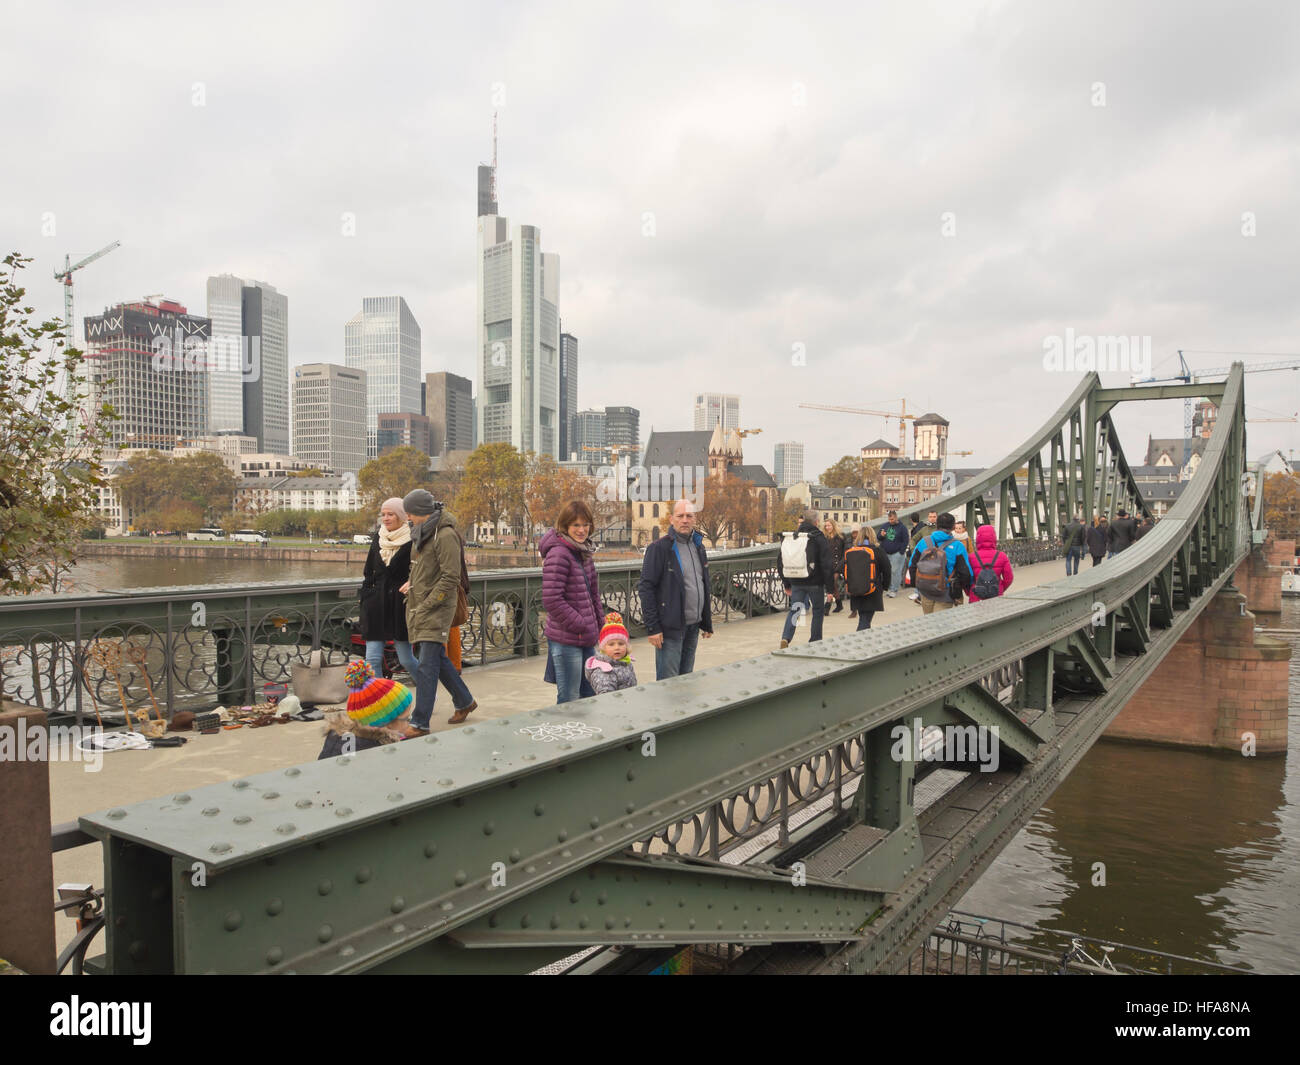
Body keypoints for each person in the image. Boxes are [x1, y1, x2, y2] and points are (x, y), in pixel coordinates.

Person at [400, 489, 477, 735]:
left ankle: (420, 722)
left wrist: (427, 604)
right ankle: (465, 701)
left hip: (436, 608)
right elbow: (426, 568)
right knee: (436, 660)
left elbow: (450, 577)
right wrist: (413, 585)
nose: (408, 517)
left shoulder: (444, 535)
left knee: (426, 666)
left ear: (421, 512)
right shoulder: (425, 532)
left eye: (410, 512)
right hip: (422, 605)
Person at [638, 498, 714, 679]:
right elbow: (646, 588)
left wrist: (706, 622)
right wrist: (653, 628)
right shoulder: (659, 548)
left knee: (686, 680)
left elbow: (703, 583)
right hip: (669, 628)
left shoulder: (698, 546)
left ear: (695, 519)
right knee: (668, 684)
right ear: (671, 519)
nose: (685, 520)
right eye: (680, 516)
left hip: (693, 626)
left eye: (689, 516)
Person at [540, 499, 604, 703]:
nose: (581, 530)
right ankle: (566, 735)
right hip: (567, 639)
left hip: (585, 637)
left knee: (589, 695)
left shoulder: (583, 552)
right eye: (576, 525)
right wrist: (580, 623)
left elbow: (593, 594)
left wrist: (601, 626)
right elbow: (551, 599)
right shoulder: (559, 554)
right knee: (569, 699)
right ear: (565, 525)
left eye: (585, 525)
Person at [358, 498, 418, 680]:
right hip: (376, 605)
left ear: (401, 516)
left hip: (400, 606)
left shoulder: (413, 539)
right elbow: (369, 571)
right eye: (383, 514)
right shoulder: (379, 537)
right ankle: (379, 701)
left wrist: (411, 585)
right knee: (372, 659)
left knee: (406, 659)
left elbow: (420, 570)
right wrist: (366, 596)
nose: (385, 518)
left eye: (390, 514)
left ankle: (427, 690)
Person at [317, 660, 413, 758]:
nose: (409, 723)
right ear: (386, 724)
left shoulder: (342, 736)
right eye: (407, 718)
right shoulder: (376, 753)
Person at [778, 508, 836, 647]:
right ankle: (815, 641)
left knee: (795, 609)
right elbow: (827, 564)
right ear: (816, 521)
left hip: (797, 580)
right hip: (815, 582)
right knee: (817, 611)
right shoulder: (818, 537)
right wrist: (830, 589)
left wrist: (787, 583)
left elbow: (781, 561)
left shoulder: (793, 536)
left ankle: (786, 637)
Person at [907, 512, 973, 613]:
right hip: (945, 592)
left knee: (928, 621)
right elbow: (966, 573)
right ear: (952, 527)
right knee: (941, 625)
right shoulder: (957, 546)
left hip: (926, 589)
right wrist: (964, 588)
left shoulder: (924, 542)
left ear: (937, 525)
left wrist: (916, 584)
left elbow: (912, 564)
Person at [584, 612, 637, 695]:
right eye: (611, 644)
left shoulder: (625, 662)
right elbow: (607, 698)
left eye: (621, 643)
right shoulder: (604, 671)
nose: (617, 647)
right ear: (603, 647)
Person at [844, 533, 890, 630]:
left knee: (863, 617)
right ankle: (859, 642)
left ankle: (863, 641)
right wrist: (885, 586)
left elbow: (840, 567)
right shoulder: (877, 551)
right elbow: (887, 569)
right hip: (872, 589)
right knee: (865, 620)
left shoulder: (852, 551)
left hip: (855, 589)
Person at [967, 524, 1014, 603]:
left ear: (978, 538)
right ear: (994, 537)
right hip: (996, 597)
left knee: (976, 615)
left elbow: (966, 578)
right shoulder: (1002, 556)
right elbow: (1009, 578)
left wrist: (970, 591)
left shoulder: (971, 557)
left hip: (976, 597)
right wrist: (1000, 588)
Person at [878, 509, 911, 598]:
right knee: (887, 571)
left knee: (895, 571)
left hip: (897, 553)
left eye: (892, 519)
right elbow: (878, 537)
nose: (890, 521)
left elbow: (906, 540)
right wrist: (881, 535)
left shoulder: (902, 528)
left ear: (896, 518)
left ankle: (894, 589)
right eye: (889, 519)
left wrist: (901, 551)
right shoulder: (885, 526)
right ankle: (889, 588)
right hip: (886, 552)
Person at [822, 517, 847, 613]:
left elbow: (845, 551)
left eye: (829, 525)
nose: (827, 527)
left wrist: (842, 563)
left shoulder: (841, 536)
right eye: (826, 526)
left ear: (833, 525)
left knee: (832, 582)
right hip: (828, 565)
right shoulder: (825, 538)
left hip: (839, 564)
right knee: (834, 584)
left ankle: (827, 604)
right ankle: (839, 604)